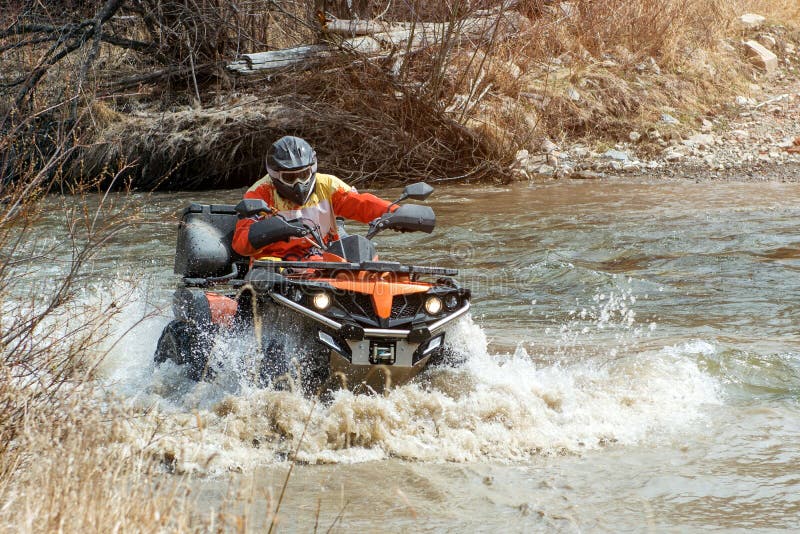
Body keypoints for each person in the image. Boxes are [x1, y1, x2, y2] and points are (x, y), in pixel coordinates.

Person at [232, 136, 395, 261]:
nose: (298, 184)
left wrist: (396, 213)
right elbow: (241, 244)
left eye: (303, 175)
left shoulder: (329, 185)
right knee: (268, 275)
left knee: (366, 265)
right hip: (276, 265)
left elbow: (363, 205)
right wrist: (274, 229)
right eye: (290, 178)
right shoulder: (258, 193)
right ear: (275, 176)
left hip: (323, 260)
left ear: (313, 169)